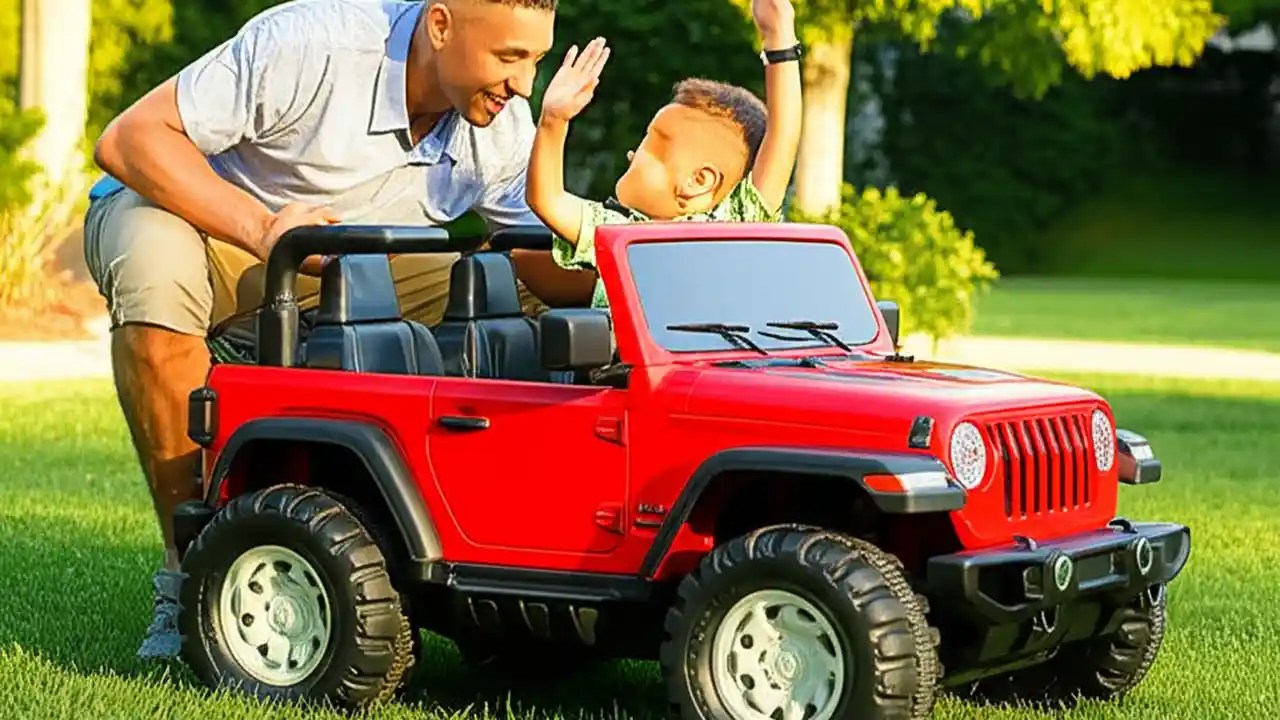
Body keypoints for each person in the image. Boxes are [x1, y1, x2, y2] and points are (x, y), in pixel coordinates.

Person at [84, 0, 578, 660]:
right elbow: (130, 139)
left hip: (360, 260)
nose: (523, 84)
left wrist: (635, 257)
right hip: (214, 229)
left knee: (521, 307)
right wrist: (263, 230)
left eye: (536, 60)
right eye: (510, 58)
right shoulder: (313, 43)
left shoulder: (502, 120)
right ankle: (193, 573)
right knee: (154, 274)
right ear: (440, 26)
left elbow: (538, 265)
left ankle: (516, 573)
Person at [525, 0, 802, 310]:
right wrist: (553, 120)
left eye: (652, 145)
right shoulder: (620, 235)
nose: (632, 153)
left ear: (698, 180)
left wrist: (778, 38)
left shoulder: (733, 227)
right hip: (622, 360)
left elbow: (784, 134)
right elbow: (547, 200)